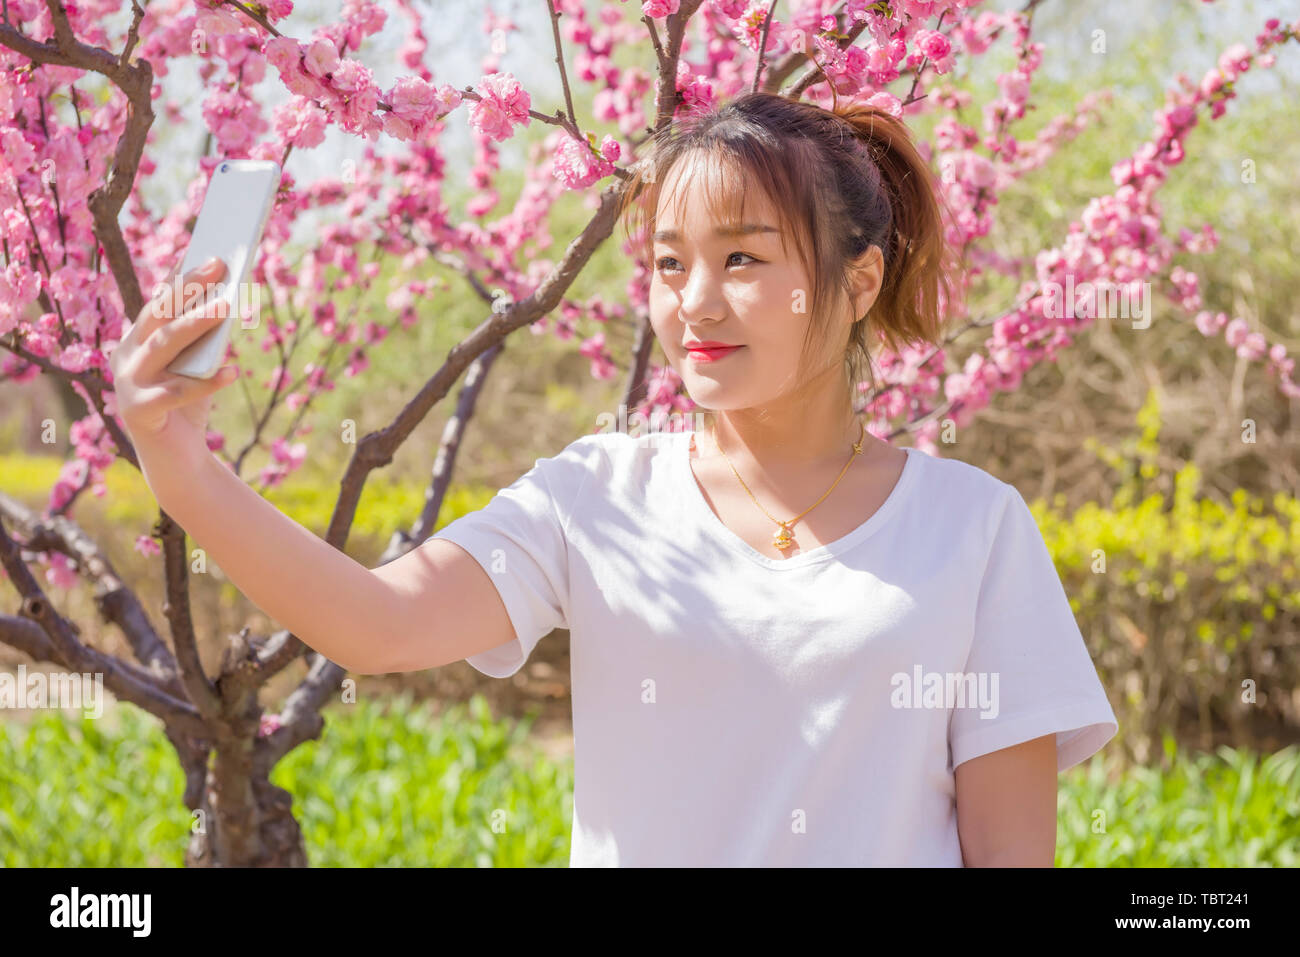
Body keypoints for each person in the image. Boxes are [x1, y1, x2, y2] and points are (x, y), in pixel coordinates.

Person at [111, 90, 1117, 868]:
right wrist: (180, 467)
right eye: (669, 263)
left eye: (743, 259)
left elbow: (1011, 857)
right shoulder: (600, 499)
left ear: (857, 282)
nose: (695, 302)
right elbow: (377, 625)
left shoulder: (973, 529)